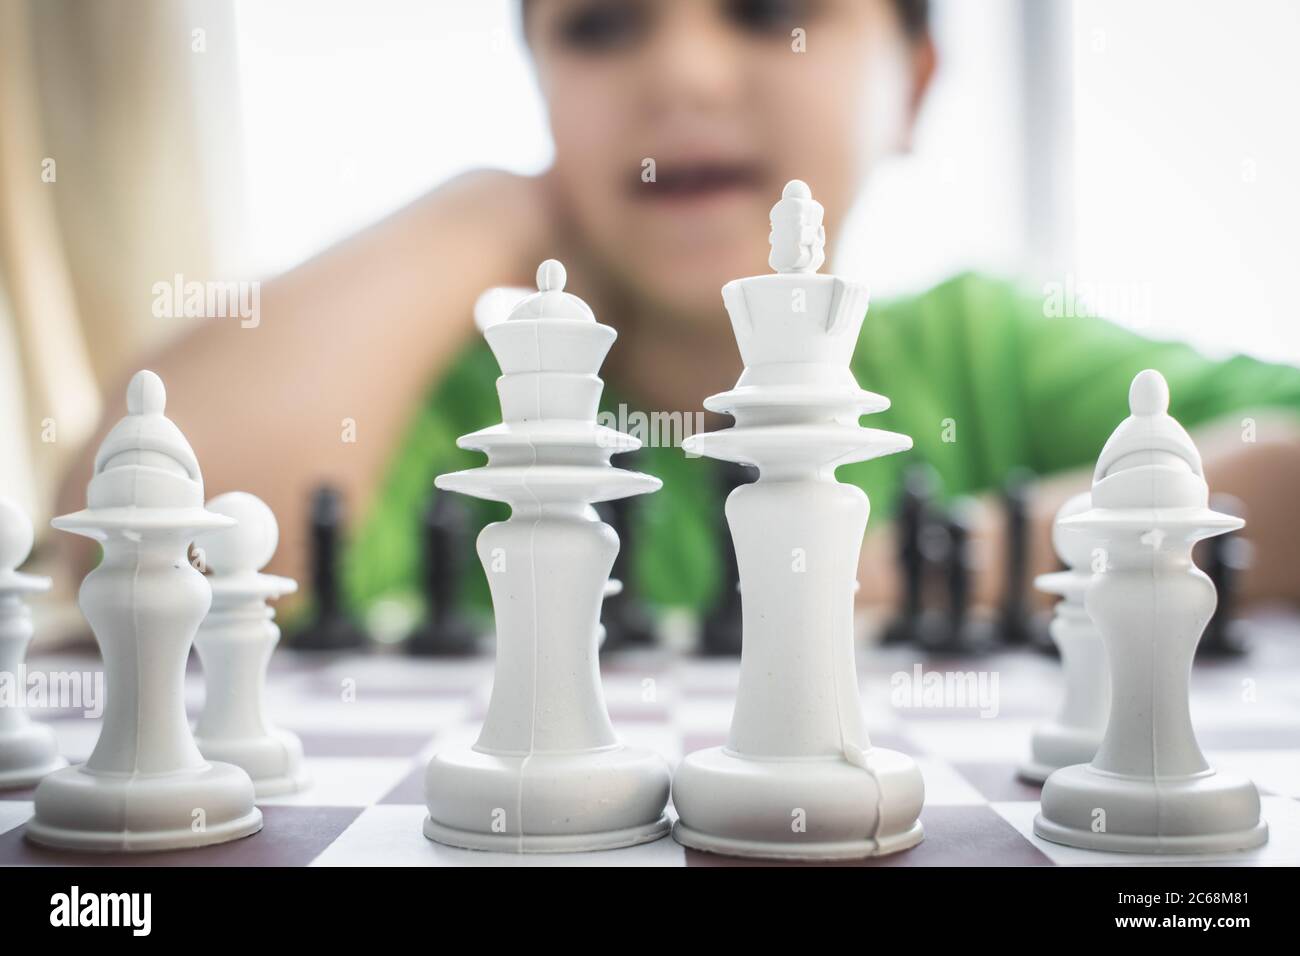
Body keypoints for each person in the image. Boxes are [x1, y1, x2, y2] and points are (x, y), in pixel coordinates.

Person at [58, 0, 1300, 623]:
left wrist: (999, 553)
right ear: (535, 87)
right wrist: (490, 208)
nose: (684, 73)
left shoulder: (986, 352)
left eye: (769, 10)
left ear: (913, 84)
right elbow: (137, 530)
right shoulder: (440, 402)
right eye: (599, 26)